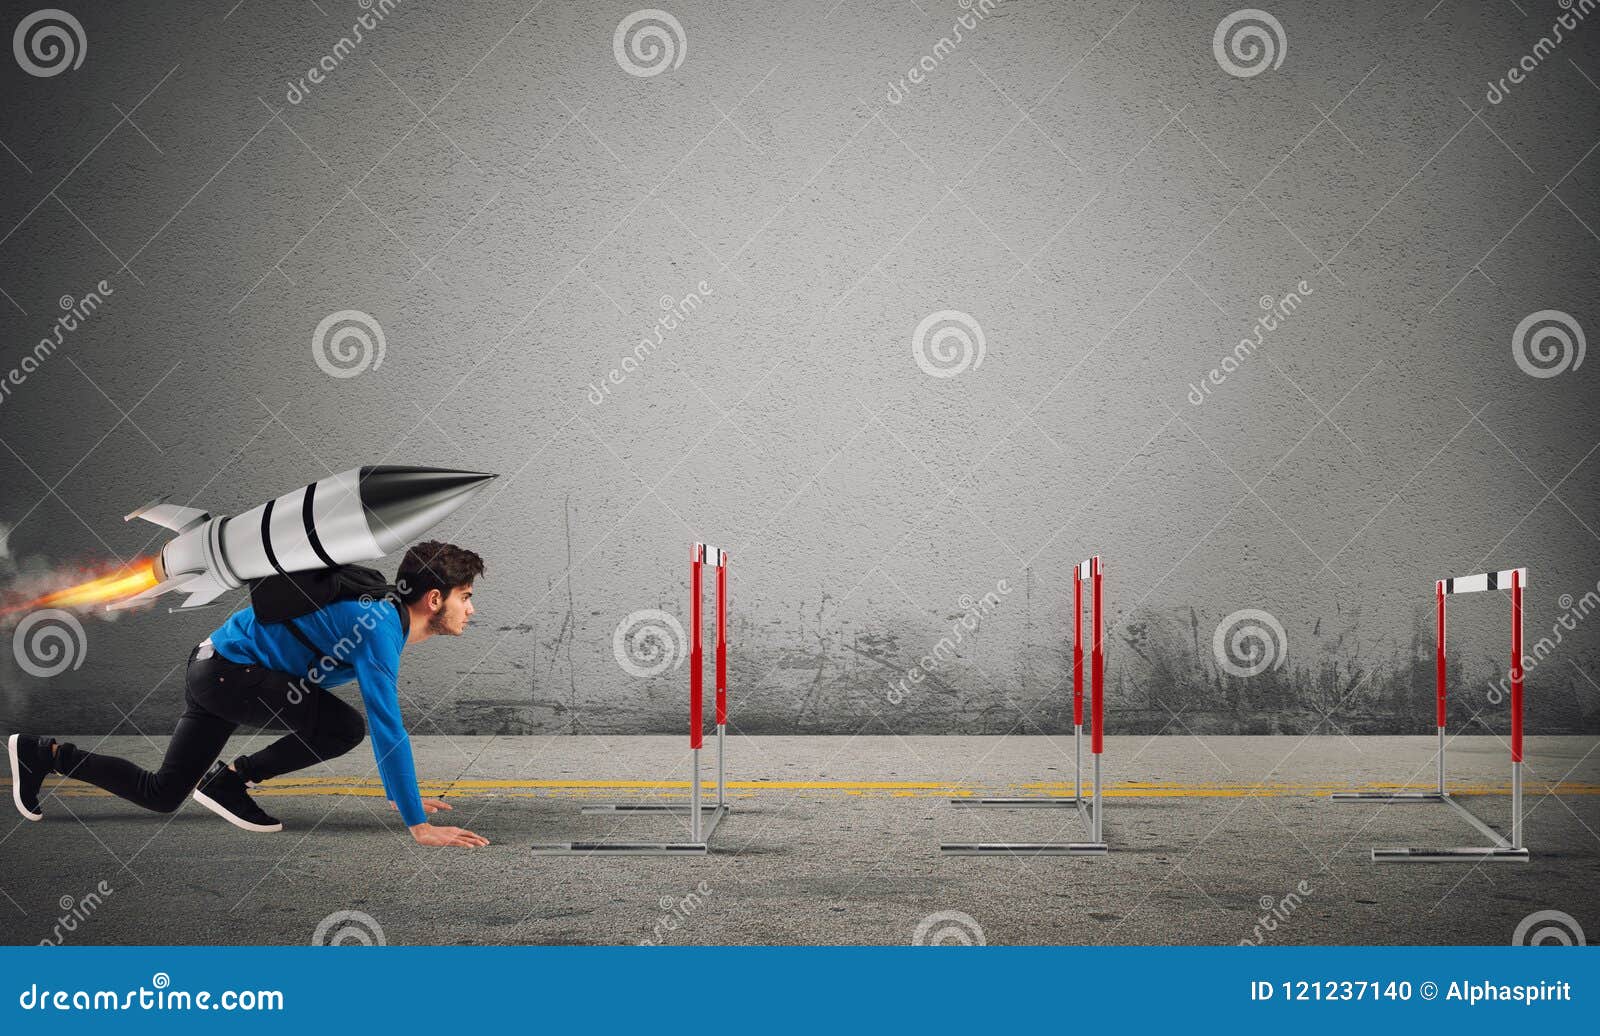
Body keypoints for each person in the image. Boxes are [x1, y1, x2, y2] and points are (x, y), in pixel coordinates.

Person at [6, 540, 490, 848]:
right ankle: (231, 780)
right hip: (228, 675)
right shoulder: (380, 625)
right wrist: (416, 824)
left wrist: (400, 796)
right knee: (344, 727)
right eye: (465, 596)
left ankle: (43, 753)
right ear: (433, 599)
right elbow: (388, 726)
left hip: (215, 669)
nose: (471, 609)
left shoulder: (384, 615)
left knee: (162, 794)